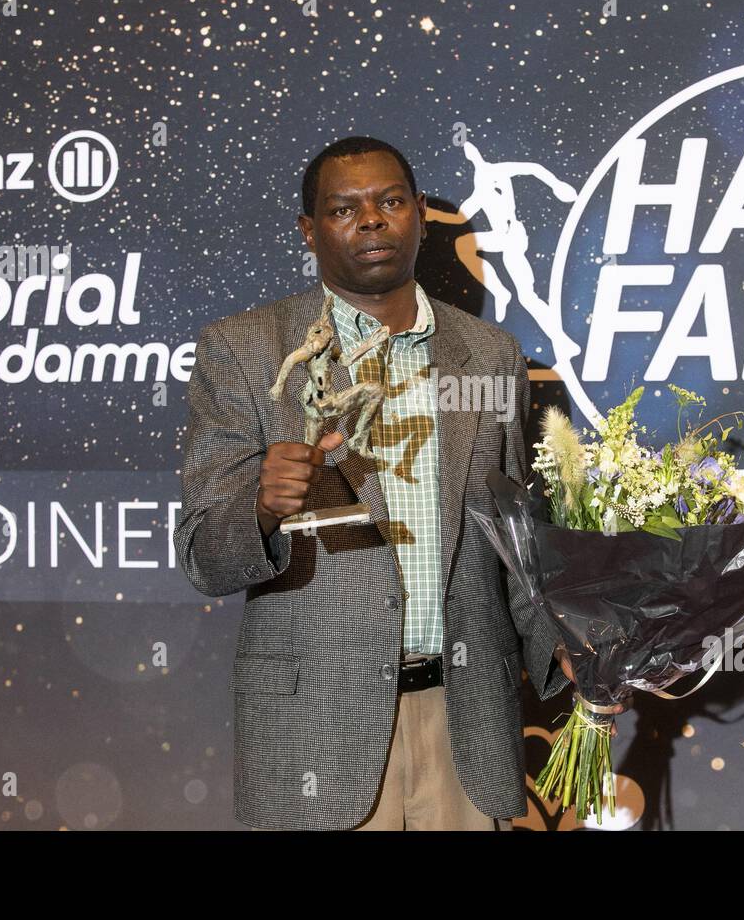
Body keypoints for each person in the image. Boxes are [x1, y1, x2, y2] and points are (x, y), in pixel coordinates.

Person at [173, 135, 623, 831]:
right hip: (317, 732)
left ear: (417, 214)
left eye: (389, 202)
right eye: (344, 209)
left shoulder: (489, 355)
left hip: (465, 723)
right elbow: (204, 554)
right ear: (309, 230)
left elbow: (516, 540)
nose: (372, 221)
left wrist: (564, 645)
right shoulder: (245, 350)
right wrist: (260, 508)